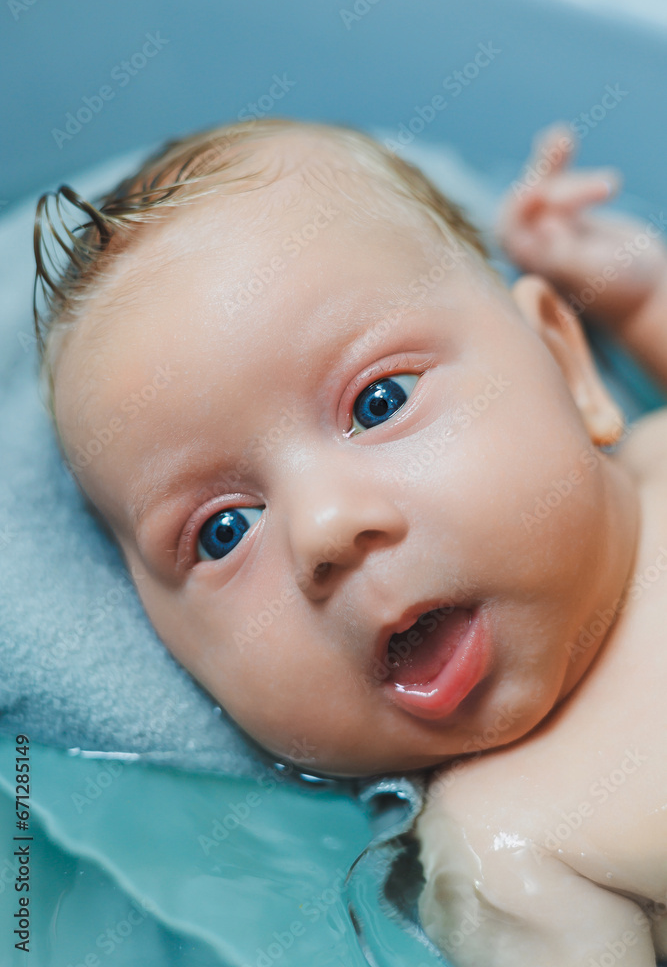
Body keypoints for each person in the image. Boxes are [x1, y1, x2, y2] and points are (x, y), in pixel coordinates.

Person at [33, 117, 666, 963]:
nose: (325, 529)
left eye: (379, 403)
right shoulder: (510, 855)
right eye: (223, 531)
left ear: (566, 361)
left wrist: (638, 299)